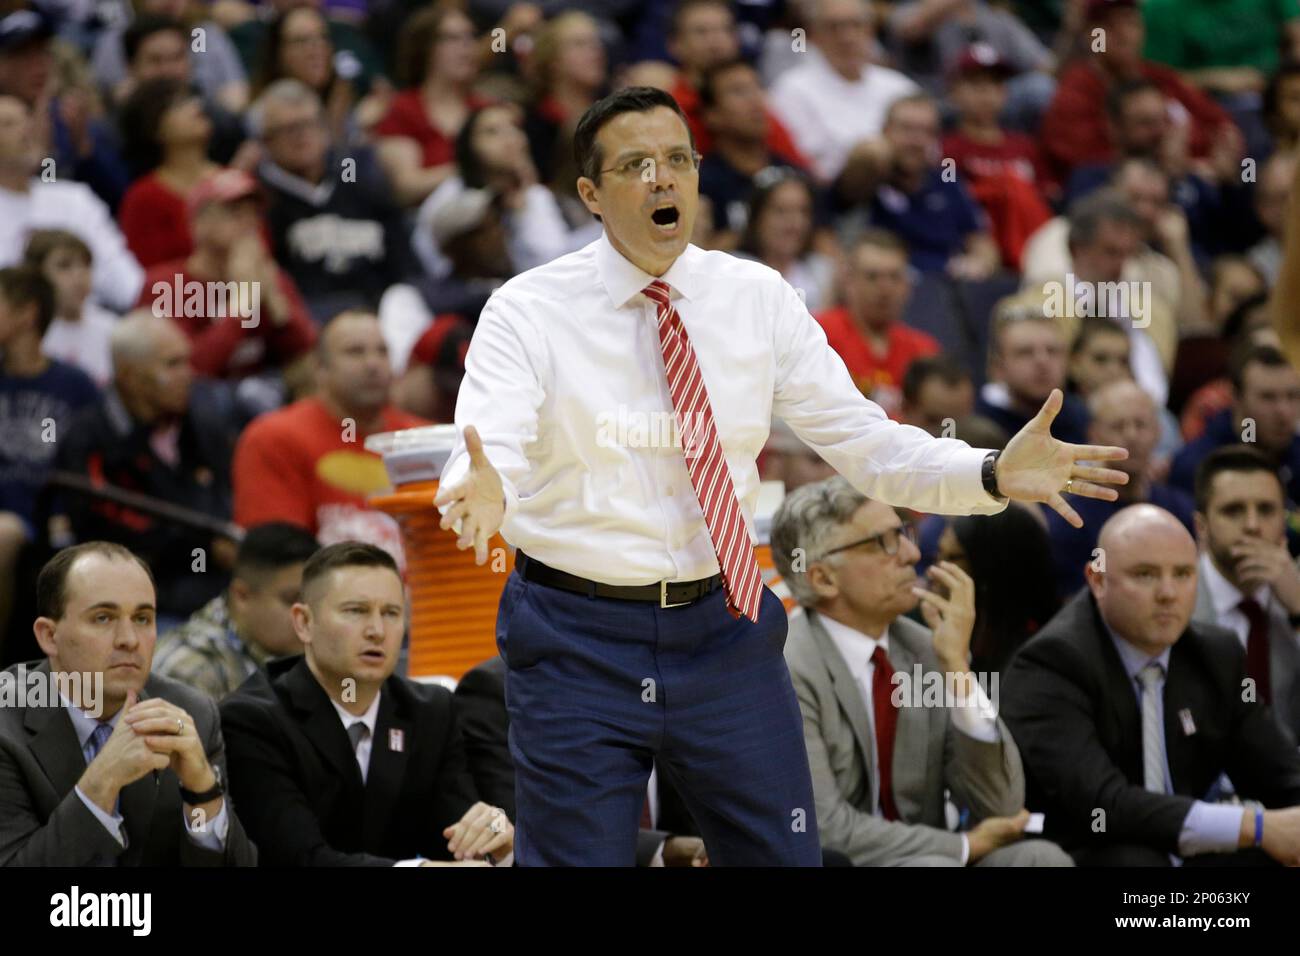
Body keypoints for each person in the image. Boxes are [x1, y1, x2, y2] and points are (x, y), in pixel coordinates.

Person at [434, 85, 1128, 866]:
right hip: (575, 634)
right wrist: (483, 486)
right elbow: (491, 435)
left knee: (785, 857)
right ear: (591, 194)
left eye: (676, 160)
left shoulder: (755, 297)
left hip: (723, 624)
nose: (662, 179)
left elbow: (865, 443)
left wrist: (992, 471)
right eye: (635, 165)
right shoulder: (528, 310)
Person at [771, 477, 1070, 866]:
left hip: (925, 855)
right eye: (884, 543)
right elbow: (824, 829)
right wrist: (964, 847)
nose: (913, 554)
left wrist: (958, 669)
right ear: (823, 578)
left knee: (1039, 859)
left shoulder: (925, 648)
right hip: (848, 861)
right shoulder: (786, 667)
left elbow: (1001, 805)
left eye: (904, 533)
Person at [1001, 505, 1300, 866]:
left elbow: (1281, 776)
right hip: (1084, 849)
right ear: (1097, 580)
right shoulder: (1052, 662)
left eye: (1183, 574)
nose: (1168, 593)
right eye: (1145, 575)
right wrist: (1254, 825)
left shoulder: (1214, 655)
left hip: (1183, 849)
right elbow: (1104, 804)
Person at [219, 542, 513, 866]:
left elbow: (456, 839)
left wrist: (494, 840)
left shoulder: (430, 711)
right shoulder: (253, 719)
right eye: (356, 611)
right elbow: (298, 859)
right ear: (304, 622)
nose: (376, 631)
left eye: (391, 613)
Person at [0, 541, 256, 866]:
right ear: (49, 635)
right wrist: (103, 780)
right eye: (103, 618)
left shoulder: (192, 713)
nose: (129, 639)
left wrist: (202, 791)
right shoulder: (6, 724)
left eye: (142, 618)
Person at [52, 313, 237, 621]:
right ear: (130, 375)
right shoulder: (90, 440)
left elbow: (229, 497)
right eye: (172, 364)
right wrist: (206, 544)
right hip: (139, 598)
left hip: (218, 587)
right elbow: (110, 528)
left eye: (187, 362)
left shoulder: (203, 425)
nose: (189, 374)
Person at [454, 653, 709, 867]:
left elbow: (700, 812)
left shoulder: (671, 679)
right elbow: (519, 827)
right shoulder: (496, 689)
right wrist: (664, 847)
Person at [232, 310, 428, 569]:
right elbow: (276, 566)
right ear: (319, 368)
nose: (373, 363)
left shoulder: (425, 439)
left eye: (382, 352)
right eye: (355, 352)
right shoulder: (274, 438)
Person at [138, 168, 317, 389]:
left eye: (254, 213)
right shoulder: (164, 284)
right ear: (198, 224)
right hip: (199, 407)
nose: (249, 223)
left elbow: (306, 353)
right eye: (234, 212)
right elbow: (191, 371)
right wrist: (242, 305)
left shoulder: (269, 276)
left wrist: (274, 299)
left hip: (265, 395)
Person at [252, 79, 413, 323]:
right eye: (288, 129)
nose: (301, 136)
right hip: (312, 325)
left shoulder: (363, 189)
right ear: (266, 141)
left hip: (384, 319)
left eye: (309, 124)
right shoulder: (259, 202)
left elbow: (407, 271)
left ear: (325, 129)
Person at [1038, 0, 1234, 184]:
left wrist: (1222, 156)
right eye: (1110, 27)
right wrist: (1179, 167)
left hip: (1204, 184)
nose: (1124, 34)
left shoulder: (1161, 77)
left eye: (1131, 23)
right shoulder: (1076, 89)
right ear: (1092, 35)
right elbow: (1085, 164)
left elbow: (1222, 124)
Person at [1045, 379, 1195, 598]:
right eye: (1118, 426)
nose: (1132, 436)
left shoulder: (1180, 509)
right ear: (1094, 434)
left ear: (1158, 431)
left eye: (1140, 425)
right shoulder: (1069, 519)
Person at [1192, 447, 1300, 745]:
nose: (1253, 525)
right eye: (1233, 510)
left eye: (1266, 510)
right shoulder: (1174, 597)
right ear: (1201, 527)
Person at [0, 94, 143, 313]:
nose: (27, 129)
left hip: (93, 323)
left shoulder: (75, 198)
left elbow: (121, 275)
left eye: (29, 118)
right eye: (8, 124)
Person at [153, 521, 320, 700]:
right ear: (242, 596)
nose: (307, 617)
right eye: (292, 600)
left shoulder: (304, 657)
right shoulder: (190, 669)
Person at [848, 94, 1000, 278]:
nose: (916, 140)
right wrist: (879, 151)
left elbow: (981, 241)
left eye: (927, 131)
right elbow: (863, 163)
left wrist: (980, 263)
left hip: (944, 286)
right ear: (885, 131)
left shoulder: (946, 178)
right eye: (906, 129)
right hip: (885, 282)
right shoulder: (871, 175)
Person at [768, 0, 918, 184]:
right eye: (834, 27)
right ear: (814, 35)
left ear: (870, 31)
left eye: (855, 25)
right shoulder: (792, 89)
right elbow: (804, 162)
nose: (846, 37)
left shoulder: (899, 87)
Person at [373, 3, 489, 206]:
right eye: (453, 38)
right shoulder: (403, 109)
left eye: (470, 37)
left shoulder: (486, 108)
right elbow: (406, 187)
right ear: (426, 47)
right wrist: (480, 167)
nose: (467, 47)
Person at [814, 230, 939, 418]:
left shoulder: (924, 350)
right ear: (849, 281)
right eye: (872, 277)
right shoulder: (819, 334)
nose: (885, 288)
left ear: (907, 284)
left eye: (894, 277)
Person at [1169, 344, 1300, 504]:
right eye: (1268, 397)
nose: (1283, 411)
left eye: (1292, 396)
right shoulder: (1197, 467)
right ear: (1236, 399)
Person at [117, 77, 222, 269]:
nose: (196, 106)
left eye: (194, 99)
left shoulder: (235, 182)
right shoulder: (143, 198)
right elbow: (147, 277)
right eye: (179, 104)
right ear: (154, 127)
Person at [976, 307, 1089, 446]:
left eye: (1052, 351)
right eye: (1025, 352)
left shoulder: (1086, 422)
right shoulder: (976, 428)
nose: (1042, 361)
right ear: (998, 368)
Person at [24, 229, 117, 387]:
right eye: (64, 266)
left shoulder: (113, 329)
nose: (79, 275)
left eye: (86, 265)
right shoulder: (25, 334)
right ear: (37, 275)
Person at [898, 355, 978, 438]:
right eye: (933, 421)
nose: (948, 432)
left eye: (957, 424)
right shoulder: (887, 440)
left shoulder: (981, 441)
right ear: (905, 408)